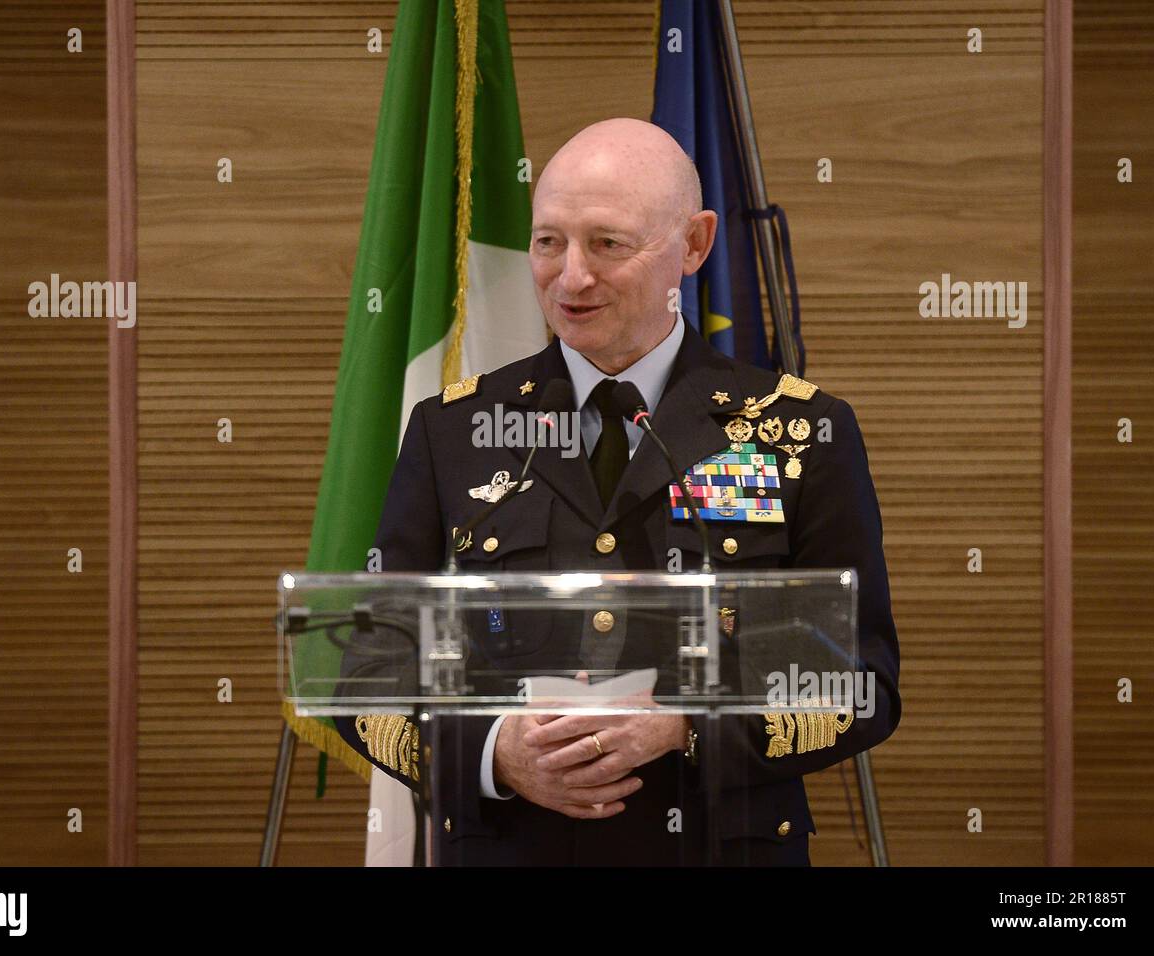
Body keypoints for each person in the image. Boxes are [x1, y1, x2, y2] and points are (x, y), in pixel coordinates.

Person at [337, 118, 900, 865]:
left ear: (693, 245)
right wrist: (495, 753)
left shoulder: (796, 432)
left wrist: (688, 726)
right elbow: (368, 677)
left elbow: (861, 687)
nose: (571, 278)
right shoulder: (452, 430)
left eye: (608, 244)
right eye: (549, 242)